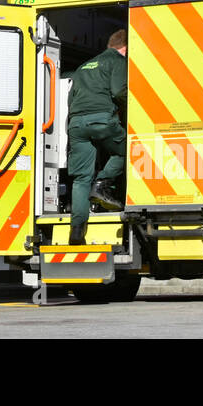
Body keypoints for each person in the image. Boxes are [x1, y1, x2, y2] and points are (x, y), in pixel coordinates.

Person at [66, 29, 129, 245]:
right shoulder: (117, 60)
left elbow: (71, 98)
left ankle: (76, 231)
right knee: (126, 150)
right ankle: (102, 183)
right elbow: (119, 91)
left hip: (76, 124)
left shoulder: (84, 66)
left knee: (81, 178)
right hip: (102, 120)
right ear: (125, 48)